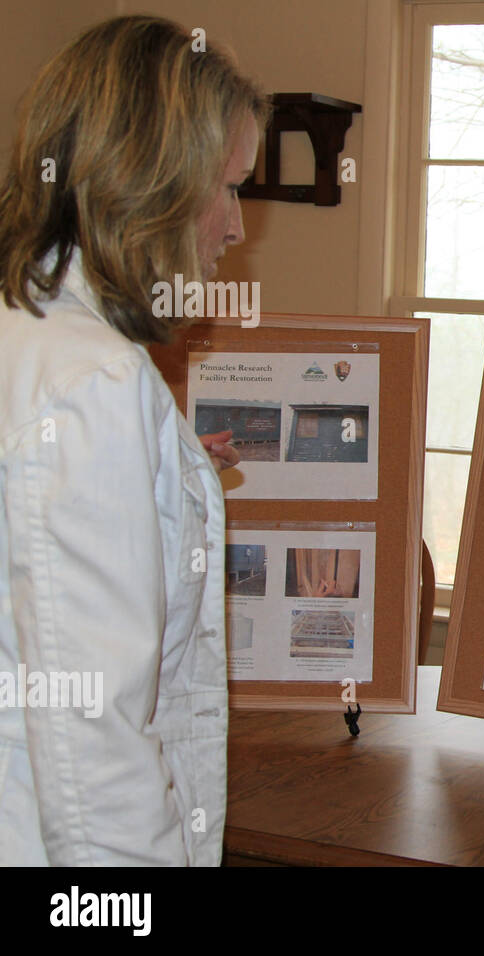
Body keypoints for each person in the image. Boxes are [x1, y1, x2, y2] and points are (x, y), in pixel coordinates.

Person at [0, 16, 267, 864]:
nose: (236, 227)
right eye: (227, 189)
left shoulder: (33, 338)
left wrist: (167, 467)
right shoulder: (95, 384)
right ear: (151, 183)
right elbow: (95, 759)